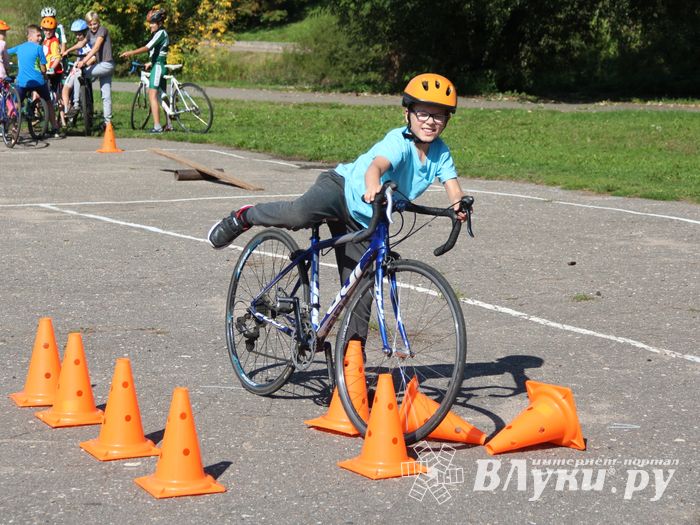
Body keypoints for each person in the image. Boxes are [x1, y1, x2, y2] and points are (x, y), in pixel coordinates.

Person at [207, 73, 468, 340]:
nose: (430, 122)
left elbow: (451, 183)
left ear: (447, 120)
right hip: (339, 189)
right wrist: (372, 185)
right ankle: (245, 216)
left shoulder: (440, 151)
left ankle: (350, 368)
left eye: (439, 116)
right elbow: (376, 166)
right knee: (299, 215)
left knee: (360, 292)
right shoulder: (398, 141)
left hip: (367, 217)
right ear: (408, 114)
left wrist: (458, 206)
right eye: (423, 113)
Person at [119, 8, 169, 134]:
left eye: (152, 23)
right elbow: (159, 53)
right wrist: (150, 62)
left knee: (152, 95)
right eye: (150, 23)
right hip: (158, 64)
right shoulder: (160, 33)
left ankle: (157, 127)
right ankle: (169, 124)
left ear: (159, 23)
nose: (150, 26)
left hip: (158, 67)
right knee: (162, 96)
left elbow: (147, 48)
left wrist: (131, 52)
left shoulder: (160, 33)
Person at [7, 24, 59, 137]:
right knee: (48, 102)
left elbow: (6, 52)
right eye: (38, 35)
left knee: (16, 105)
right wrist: (44, 75)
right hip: (38, 82)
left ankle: (13, 128)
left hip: (23, 83)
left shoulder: (19, 47)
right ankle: (55, 127)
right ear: (30, 37)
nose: (40, 38)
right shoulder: (39, 48)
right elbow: (43, 67)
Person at [73, 11, 114, 126]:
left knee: (79, 73)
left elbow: (96, 48)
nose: (93, 27)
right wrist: (67, 50)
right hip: (104, 66)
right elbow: (81, 44)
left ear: (98, 22)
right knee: (106, 96)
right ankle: (108, 123)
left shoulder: (102, 30)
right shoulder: (90, 34)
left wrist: (83, 62)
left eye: (94, 24)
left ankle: (76, 104)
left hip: (106, 64)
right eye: (90, 25)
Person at [62, 19, 95, 117]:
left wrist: (85, 63)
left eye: (79, 34)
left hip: (88, 66)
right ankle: (67, 109)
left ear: (85, 32)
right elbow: (77, 48)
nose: (77, 36)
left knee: (77, 76)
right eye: (76, 34)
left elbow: (94, 57)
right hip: (78, 66)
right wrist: (67, 51)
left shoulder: (91, 41)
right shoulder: (79, 44)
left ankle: (76, 105)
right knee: (66, 88)